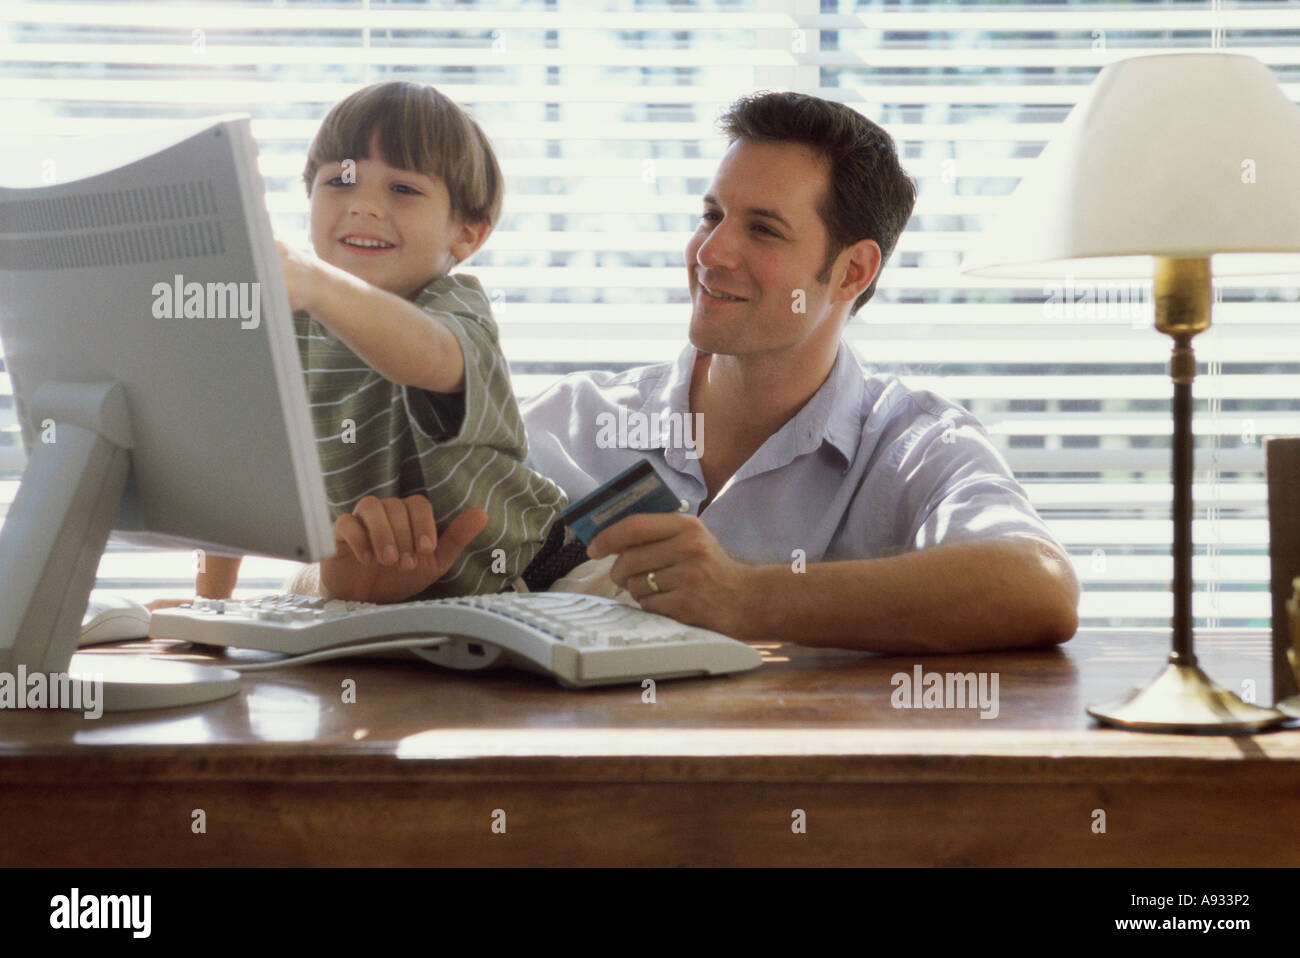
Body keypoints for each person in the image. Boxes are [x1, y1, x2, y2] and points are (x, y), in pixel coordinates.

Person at [517, 91, 1080, 654]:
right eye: (712, 216)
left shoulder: (916, 446)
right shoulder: (569, 422)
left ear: (851, 271)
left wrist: (745, 598)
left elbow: (1042, 587)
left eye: (763, 230)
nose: (711, 252)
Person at [192, 81, 570, 605]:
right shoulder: (287, 330)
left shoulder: (454, 308)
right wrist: (209, 604)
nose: (363, 206)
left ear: (467, 235)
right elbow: (234, 466)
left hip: (539, 574)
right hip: (401, 599)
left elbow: (433, 358)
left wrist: (314, 281)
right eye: (339, 182)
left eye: (403, 189)